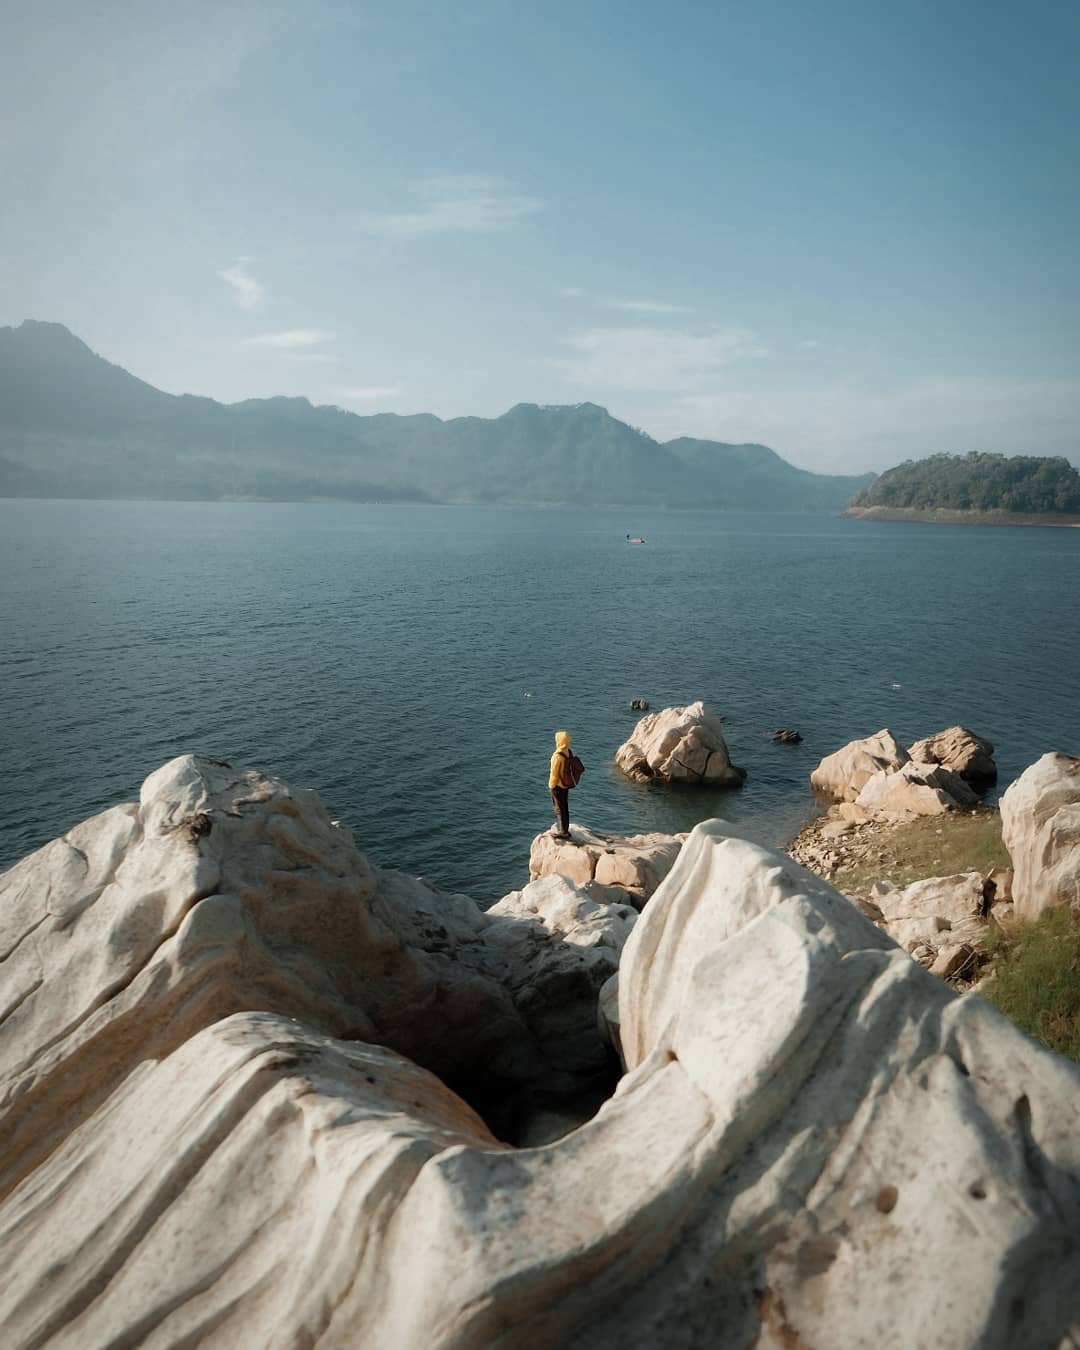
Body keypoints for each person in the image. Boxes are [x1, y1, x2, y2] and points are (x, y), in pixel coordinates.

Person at [549, 729, 577, 840]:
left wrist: (551, 786)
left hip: (557, 786)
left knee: (559, 808)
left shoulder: (557, 756)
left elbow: (554, 774)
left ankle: (563, 832)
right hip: (565, 785)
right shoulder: (568, 752)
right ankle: (565, 830)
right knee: (565, 807)